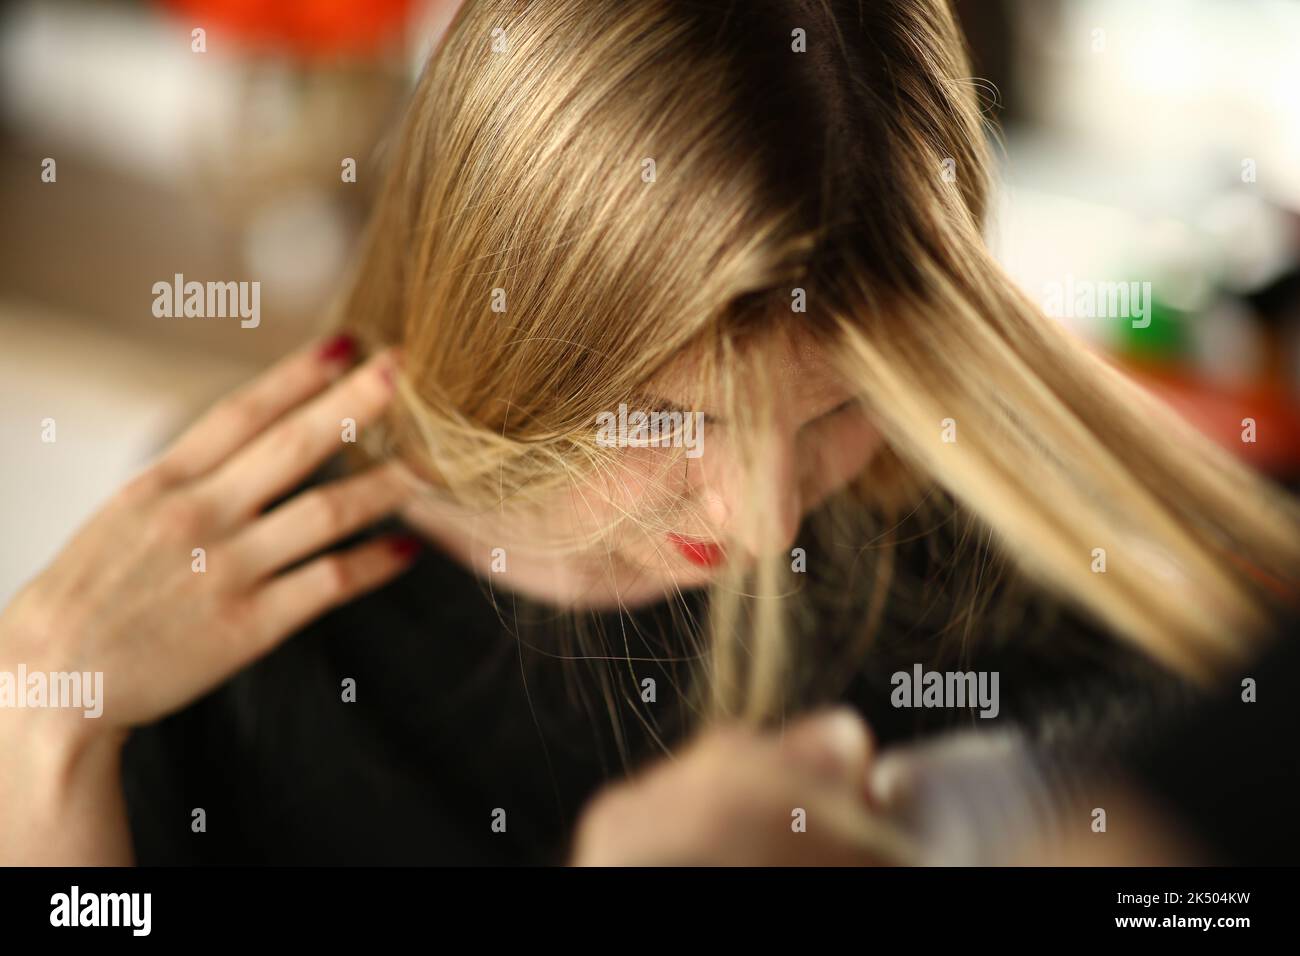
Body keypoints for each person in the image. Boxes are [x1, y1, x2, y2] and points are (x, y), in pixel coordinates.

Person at [2, 0, 1296, 866]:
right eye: (662, 420)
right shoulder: (230, 583)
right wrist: (44, 739)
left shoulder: (993, 550)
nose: (766, 520)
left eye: (843, 408)